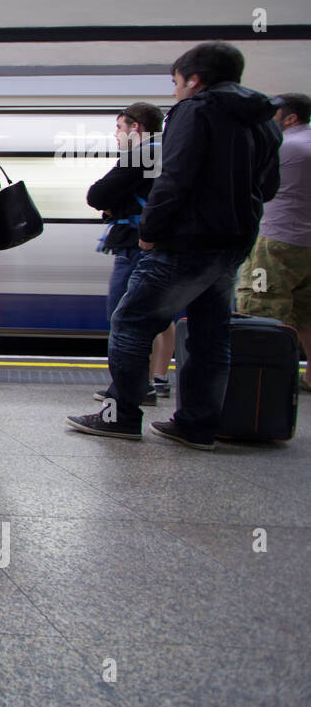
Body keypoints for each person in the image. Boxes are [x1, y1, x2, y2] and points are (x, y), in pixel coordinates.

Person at [67, 42, 282, 448]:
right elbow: (268, 186)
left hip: (184, 242)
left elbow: (176, 178)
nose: (175, 91)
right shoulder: (264, 120)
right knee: (209, 335)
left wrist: (150, 229)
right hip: (234, 243)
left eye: (176, 82)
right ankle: (196, 424)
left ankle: (121, 415)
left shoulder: (194, 111)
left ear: (194, 79)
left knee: (130, 322)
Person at [87, 103, 175, 406]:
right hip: (162, 243)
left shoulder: (144, 152)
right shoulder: (170, 149)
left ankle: (129, 391)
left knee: (123, 315)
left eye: (118, 127)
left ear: (135, 127)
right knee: (157, 313)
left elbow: (97, 194)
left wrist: (114, 207)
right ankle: (154, 380)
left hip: (136, 246)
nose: (115, 135)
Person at [236, 92, 311, 391]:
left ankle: (261, 386)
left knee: (259, 310)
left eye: (273, 116)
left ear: (290, 117)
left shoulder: (285, 147)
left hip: (276, 242)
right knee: (306, 315)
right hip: (307, 245)